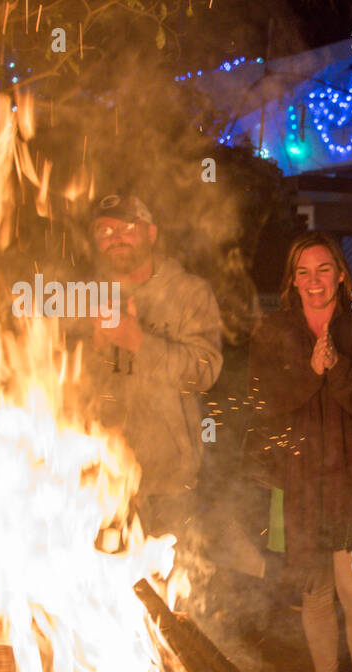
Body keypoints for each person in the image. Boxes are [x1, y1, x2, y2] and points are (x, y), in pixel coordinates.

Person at [244, 231, 352, 672]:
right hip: (297, 481)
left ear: (342, 275)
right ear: (292, 280)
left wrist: (339, 367)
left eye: (324, 269)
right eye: (303, 272)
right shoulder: (274, 332)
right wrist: (310, 373)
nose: (314, 282)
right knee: (314, 591)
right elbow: (264, 403)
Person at [86, 194, 223, 541]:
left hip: (169, 482)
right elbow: (54, 385)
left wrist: (138, 342)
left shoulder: (189, 292)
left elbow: (205, 371)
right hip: (101, 477)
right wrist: (96, 350)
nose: (115, 237)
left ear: (151, 233)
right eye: (105, 230)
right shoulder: (87, 297)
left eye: (127, 227)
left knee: (170, 573)